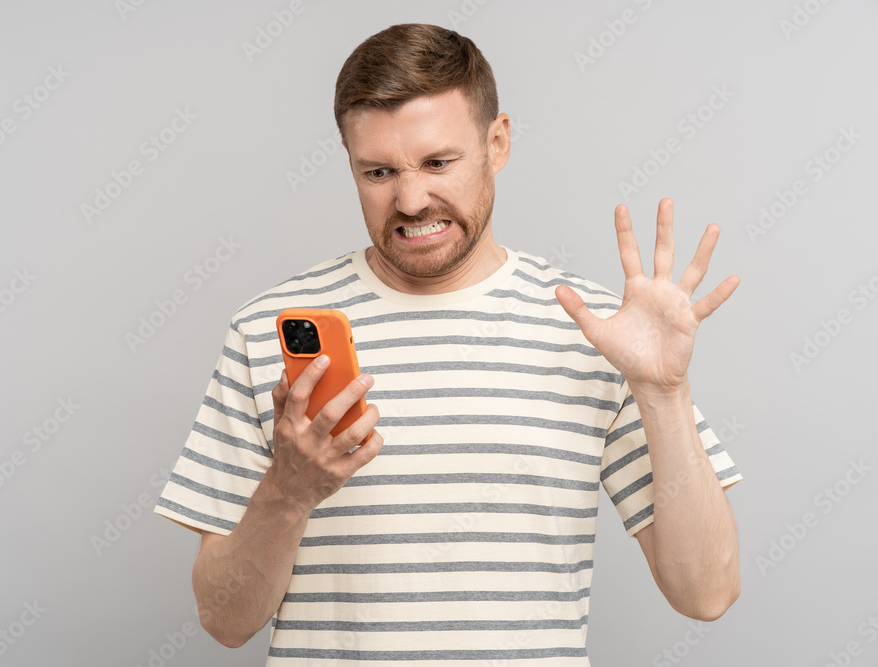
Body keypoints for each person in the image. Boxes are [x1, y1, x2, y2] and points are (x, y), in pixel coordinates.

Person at [154, 23, 742, 665]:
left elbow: (706, 593)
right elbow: (224, 620)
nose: (409, 200)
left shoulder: (602, 334)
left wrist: (664, 392)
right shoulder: (269, 332)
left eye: (438, 163)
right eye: (378, 171)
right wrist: (287, 492)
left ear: (497, 143)